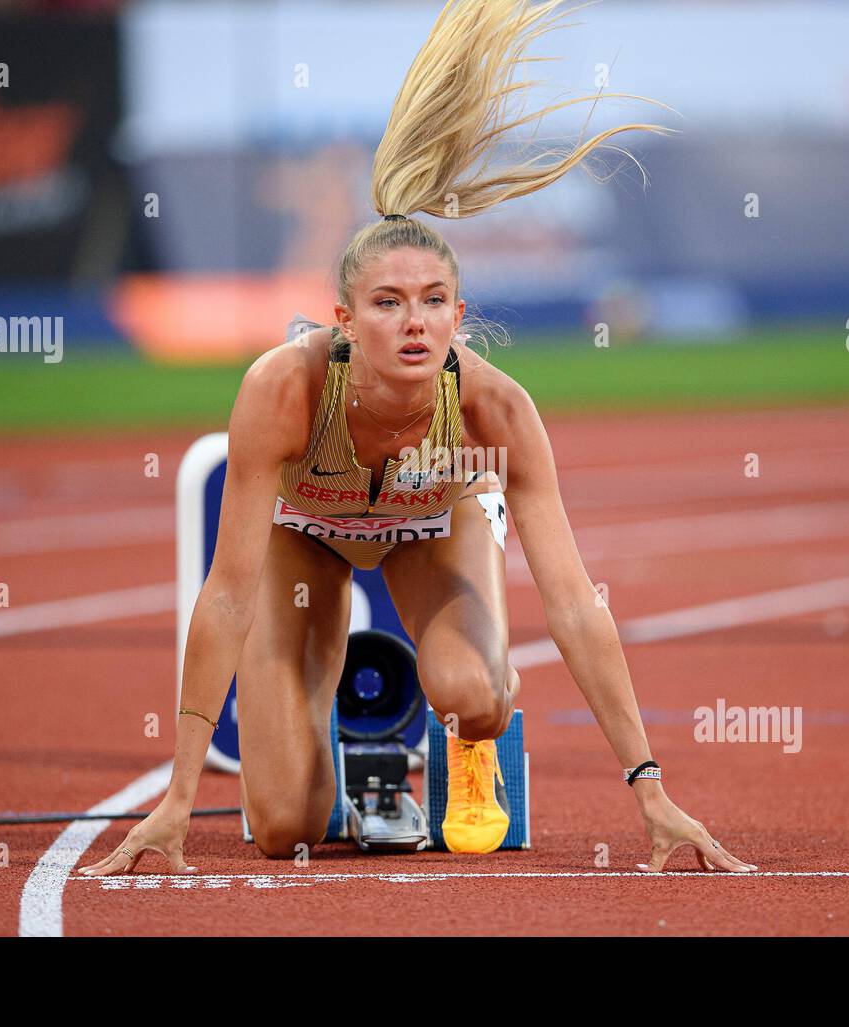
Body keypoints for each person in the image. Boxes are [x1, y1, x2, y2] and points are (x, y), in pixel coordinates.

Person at [80, 0, 756, 876]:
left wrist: (650, 786)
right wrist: (175, 796)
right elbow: (226, 595)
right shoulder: (283, 390)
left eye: (434, 300)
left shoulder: (493, 411)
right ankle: (331, 725)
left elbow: (575, 602)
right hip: (306, 539)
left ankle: (470, 739)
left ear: (459, 315)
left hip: (426, 531)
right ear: (343, 319)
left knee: (471, 693)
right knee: (286, 825)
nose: (414, 321)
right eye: (388, 302)